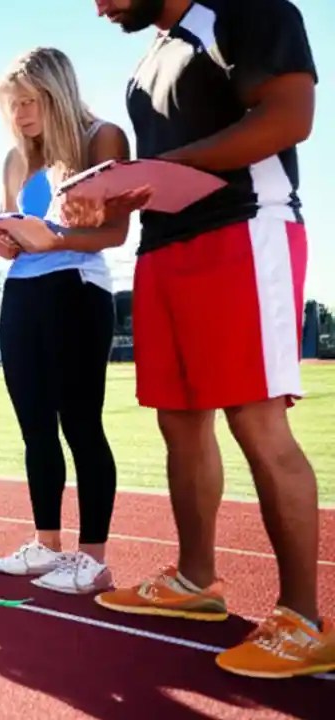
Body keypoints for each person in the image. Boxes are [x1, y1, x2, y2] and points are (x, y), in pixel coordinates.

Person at [58, 0, 329, 678]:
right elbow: (161, 173)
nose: (98, 5)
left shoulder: (248, 9)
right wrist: (111, 194)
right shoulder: (146, 62)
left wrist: (157, 170)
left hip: (245, 229)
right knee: (180, 422)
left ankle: (303, 618)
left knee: (257, 422)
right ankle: (195, 581)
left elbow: (290, 117)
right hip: (164, 251)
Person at [0, 48, 130, 594]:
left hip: (77, 288)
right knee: (34, 425)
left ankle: (94, 558)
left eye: (29, 102)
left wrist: (55, 237)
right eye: (11, 105)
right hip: (21, 294)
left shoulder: (101, 139)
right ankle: (47, 545)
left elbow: (114, 234)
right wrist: (1, 240)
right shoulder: (16, 160)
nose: (19, 115)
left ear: (57, 91)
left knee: (81, 423)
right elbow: (15, 243)